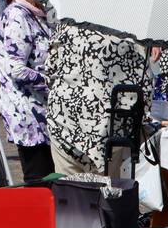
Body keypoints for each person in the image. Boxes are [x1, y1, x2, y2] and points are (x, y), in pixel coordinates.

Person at [45, 20, 153, 178]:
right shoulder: (132, 33)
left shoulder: (69, 23)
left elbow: (50, 71)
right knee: (107, 195)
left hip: (65, 122)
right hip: (109, 128)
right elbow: (144, 89)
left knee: (70, 193)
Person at [0, 0, 62, 183]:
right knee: (39, 179)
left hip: (46, 110)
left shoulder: (42, 14)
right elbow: (17, 69)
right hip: (27, 112)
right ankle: (39, 220)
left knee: (52, 177)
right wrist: (56, 86)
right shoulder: (16, 16)